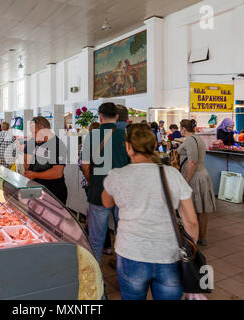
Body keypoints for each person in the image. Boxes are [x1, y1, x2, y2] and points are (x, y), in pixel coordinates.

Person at [101, 123, 199, 300]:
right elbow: (191, 221)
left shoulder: (117, 175)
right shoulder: (172, 174)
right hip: (168, 254)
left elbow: (106, 203)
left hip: (131, 252)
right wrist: (190, 255)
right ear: (154, 145)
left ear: (128, 147)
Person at [81, 103, 130, 264]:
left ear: (100, 117)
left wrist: (91, 182)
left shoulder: (92, 135)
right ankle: (123, 273)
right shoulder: (126, 135)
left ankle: (96, 281)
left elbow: (86, 165)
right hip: (122, 193)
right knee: (123, 236)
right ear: (117, 117)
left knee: (96, 239)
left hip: (98, 192)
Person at [178, 119, 216, 246]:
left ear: (183, 128)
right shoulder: (198, 138)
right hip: (202, 174)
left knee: (193, 209)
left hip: (194, 177)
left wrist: (186, 181)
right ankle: (202, 237)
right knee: (202, 209)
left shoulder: (189, 140)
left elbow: (192, 162)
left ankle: (193, 238)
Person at [23, 116, 68, 204]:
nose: (33, 136)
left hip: (53, 193)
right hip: (34, 190)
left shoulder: (58, 145)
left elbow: (57, 173)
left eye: (34, 132)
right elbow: (26, 164)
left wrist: (34, 174)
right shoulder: (32, 142)